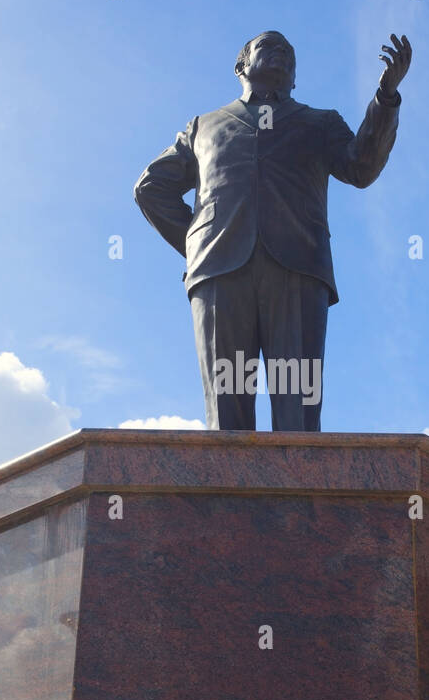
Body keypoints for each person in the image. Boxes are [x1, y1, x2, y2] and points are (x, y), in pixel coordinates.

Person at [134, 30, 411, 429]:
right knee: (227, 416)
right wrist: (202, 246)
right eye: (270, 46)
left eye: (289, 53)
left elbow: (362, 166)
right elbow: (150, 189)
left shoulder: (319, 122)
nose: (281, 53)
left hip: (297, 271)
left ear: (295, 78)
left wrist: (386, 97)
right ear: (241, 65)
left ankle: (299, 492)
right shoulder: (203, 127)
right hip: (220, 278)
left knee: (297, 416)